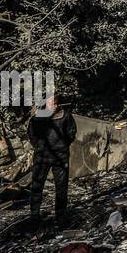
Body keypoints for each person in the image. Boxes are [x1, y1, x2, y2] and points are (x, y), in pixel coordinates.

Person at [28, 94, 77, 226]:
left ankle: (60, 215)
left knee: (61, 187)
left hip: (60, 156)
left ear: (58, 104)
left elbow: (71, 133)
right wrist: (39, 146)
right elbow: (31, 134)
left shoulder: (65, 116)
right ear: (45, 103)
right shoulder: (37, 117)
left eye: (55, 103)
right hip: (42, 156)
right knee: (37, 185)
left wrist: (63, 145)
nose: (53, 106)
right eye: (50, 103)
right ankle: (34, 214)